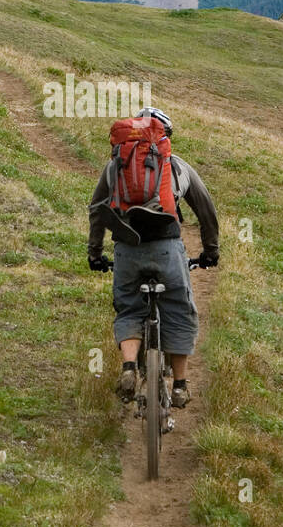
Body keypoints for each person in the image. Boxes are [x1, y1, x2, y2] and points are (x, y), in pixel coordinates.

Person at [87, 107, 219, 407]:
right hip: (166, 247)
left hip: (126, 248)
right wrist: (210, 251)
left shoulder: (115, 167)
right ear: (164, 137)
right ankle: (182, 386)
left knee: (129, 308)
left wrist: (95, 253)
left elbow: (97, 211)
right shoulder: (176, 166)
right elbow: (205, 210)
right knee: (180, 309)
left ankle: (130, 367)